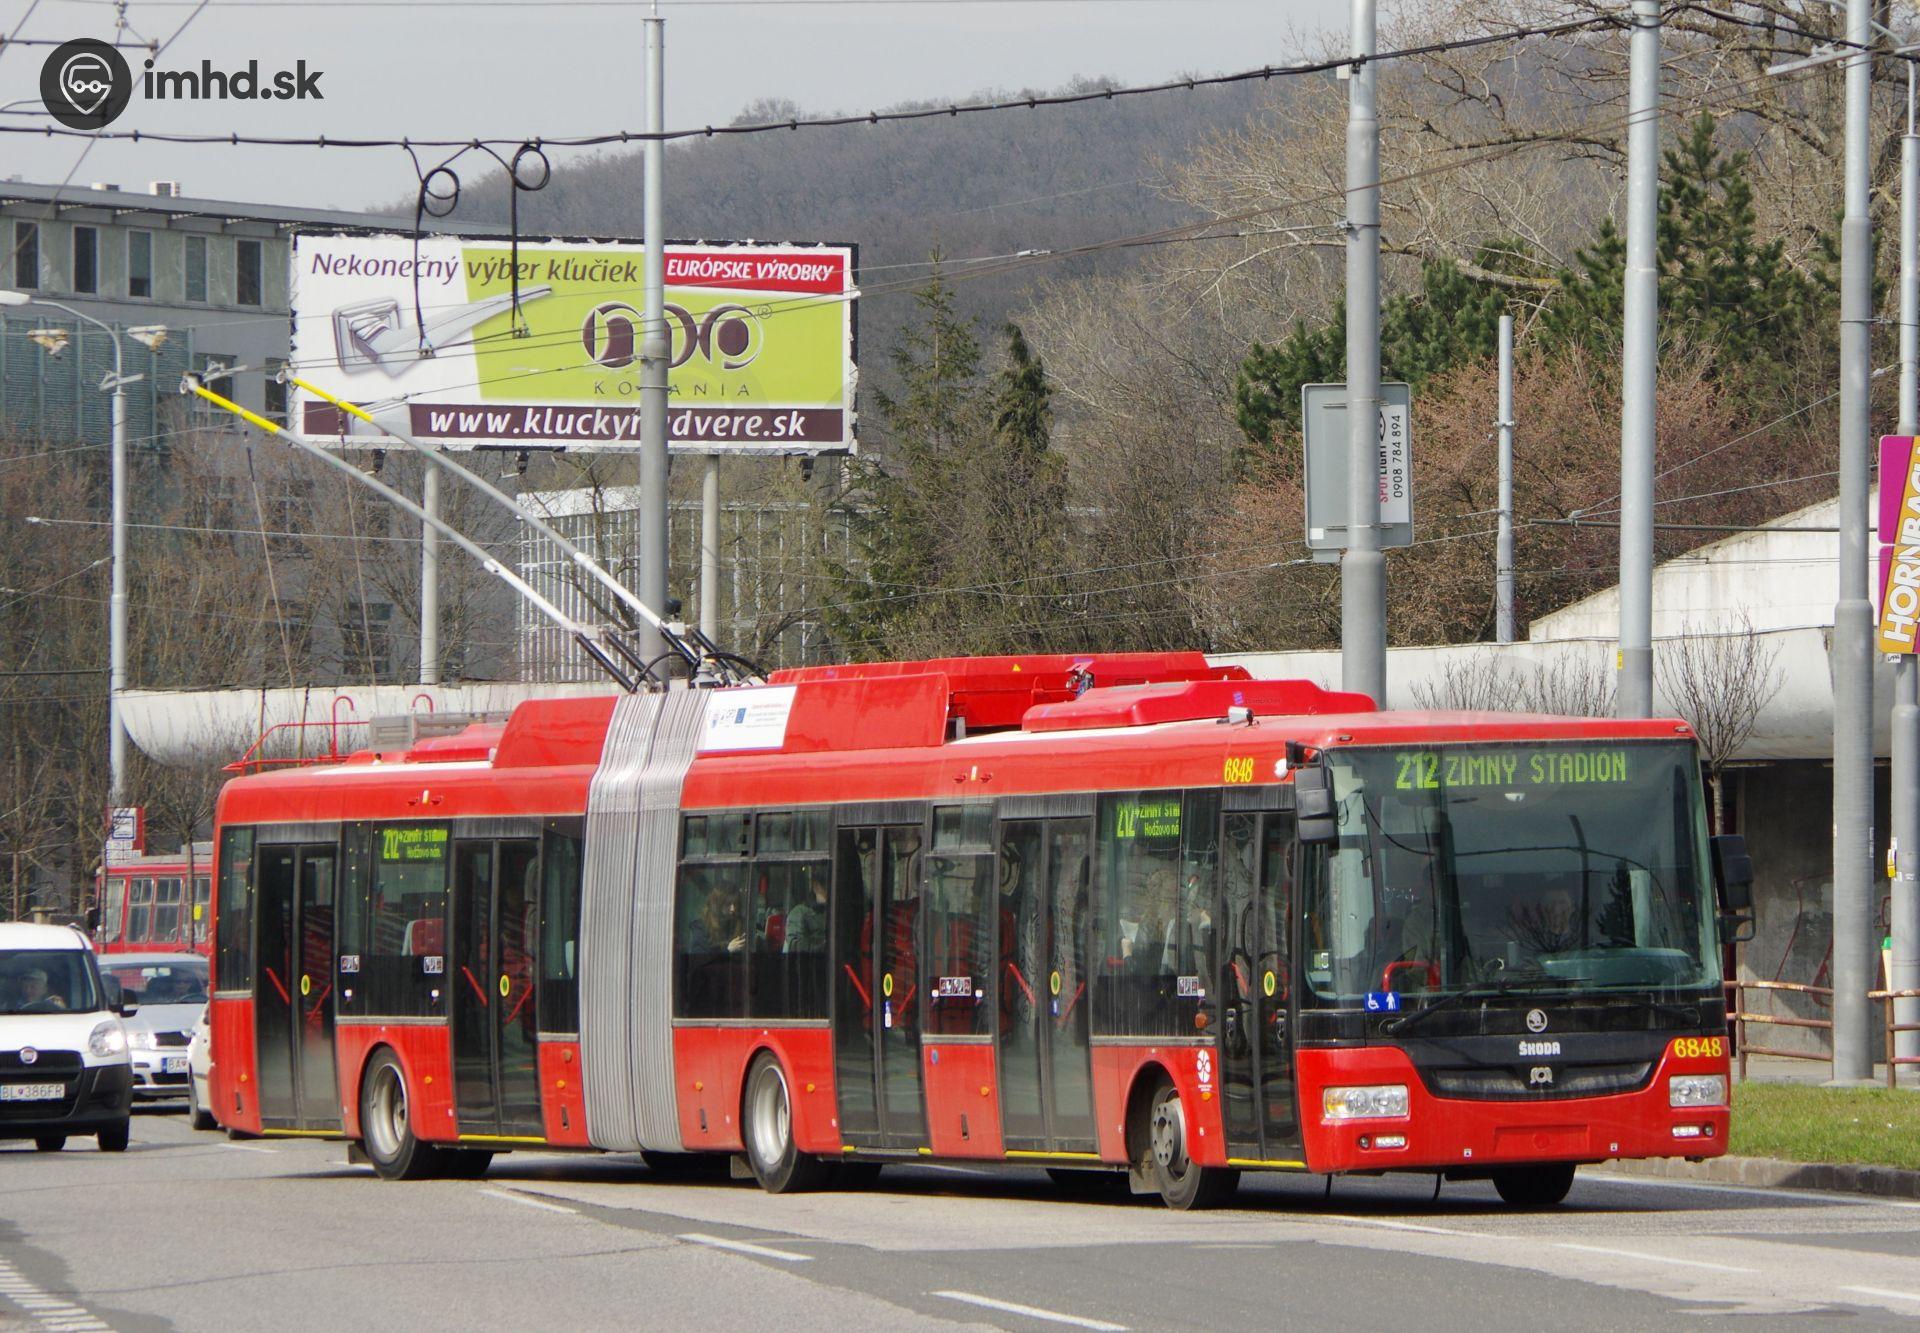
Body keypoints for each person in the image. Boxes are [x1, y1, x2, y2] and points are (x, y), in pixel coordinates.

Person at [783, 866, 830, 954]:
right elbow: (795, 946)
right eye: (828, 886)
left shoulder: (837, 913)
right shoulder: (800, 913)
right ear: (816, 886)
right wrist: (824, 946)